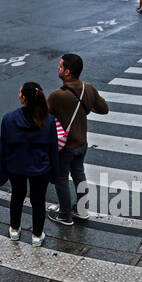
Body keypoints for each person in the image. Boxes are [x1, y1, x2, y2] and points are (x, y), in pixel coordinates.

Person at [46, 53, 109, 227]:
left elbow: (42, 117)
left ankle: (65, 215)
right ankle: (82, 211)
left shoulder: (57, 96)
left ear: (67, 72)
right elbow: (104, 109)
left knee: (61, 179)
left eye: (60, 66)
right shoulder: (88, 88)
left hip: (65, 146)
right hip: (82, 143)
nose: (57, 68)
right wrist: (85, 108)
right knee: (79, 175)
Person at [0, 80, 60, 247]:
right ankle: (37, 235)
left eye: (20, 93)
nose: (19, 95)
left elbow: (3, 147)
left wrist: (1, 172)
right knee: (38, 201)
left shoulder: (9, 119)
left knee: (17, 197)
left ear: (23, 98)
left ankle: (15, 230)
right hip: (40, 167)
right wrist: (55, 173)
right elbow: (53, 148)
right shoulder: (48, 120)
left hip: (15, 166)